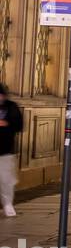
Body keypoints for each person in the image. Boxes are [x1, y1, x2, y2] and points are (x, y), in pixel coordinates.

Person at [0, 84, 22, 217]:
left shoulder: (11, 107)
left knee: (6, 180)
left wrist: (6, 123)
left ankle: (8, 204)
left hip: (5, 150)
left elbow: (19, 125)